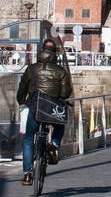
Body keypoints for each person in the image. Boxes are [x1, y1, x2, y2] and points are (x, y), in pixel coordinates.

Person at [17, 46, 73, 185]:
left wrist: (21, 100)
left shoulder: (31, 69)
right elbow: (66, 93)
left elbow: (22, 88)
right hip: (52, 109)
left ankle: (27, 175)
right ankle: (53, 145)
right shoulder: (60, 71)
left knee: (29, 139)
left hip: (35, 108)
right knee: (59, 126)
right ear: (54, 56)